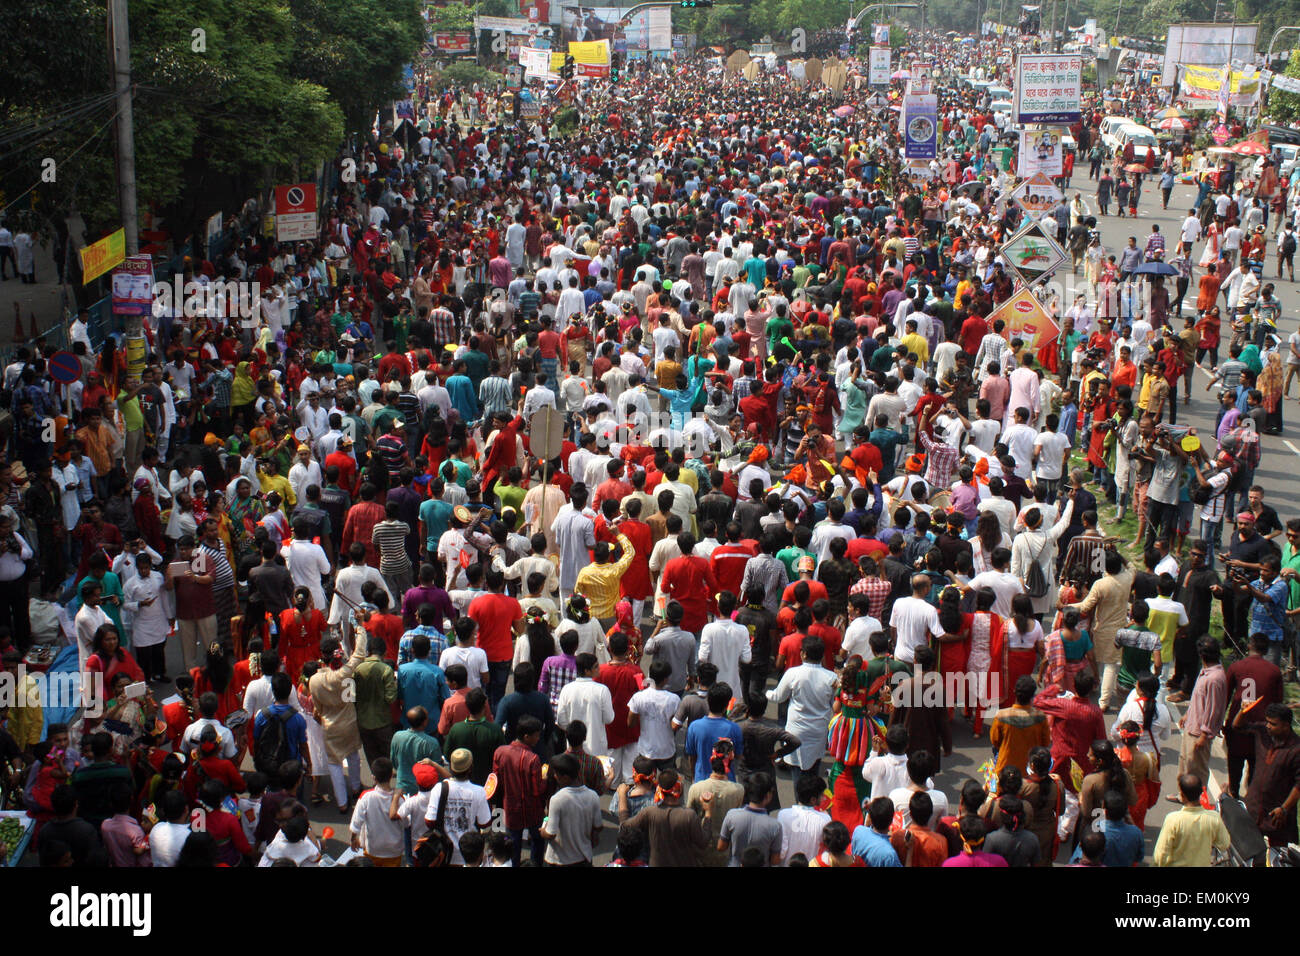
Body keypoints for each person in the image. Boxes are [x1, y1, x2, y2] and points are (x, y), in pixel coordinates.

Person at [1153, 773, 1231, 867]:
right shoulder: (1214, 818)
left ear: (1182, 795)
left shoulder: (1173, 820)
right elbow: (1224, 843)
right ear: (1201, 792)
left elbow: (1160, 856)